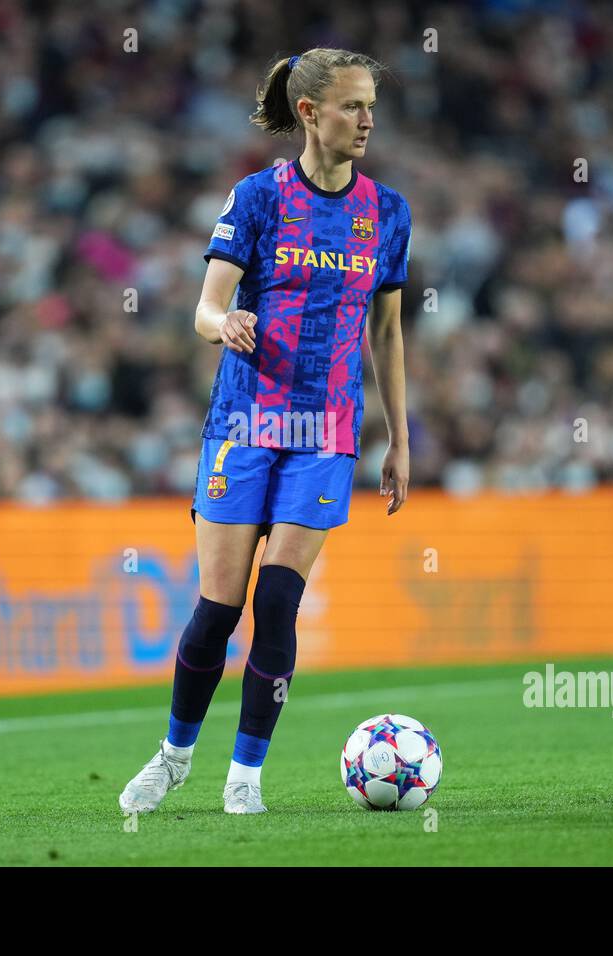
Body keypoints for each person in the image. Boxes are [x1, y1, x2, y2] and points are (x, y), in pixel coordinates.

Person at [119, 48, 412, 815]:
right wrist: (229, 322)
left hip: (328, 431)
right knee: (218, 610)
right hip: (245, 422)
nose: (367, 119)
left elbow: (388, 333)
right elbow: (204, 309)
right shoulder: (255, 198)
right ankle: (175, 755)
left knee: (277, 602)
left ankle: (244, 776)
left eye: (372, 104)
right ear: (310, 113)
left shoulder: (386, 212)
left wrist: (402, 440)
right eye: (352, 105)